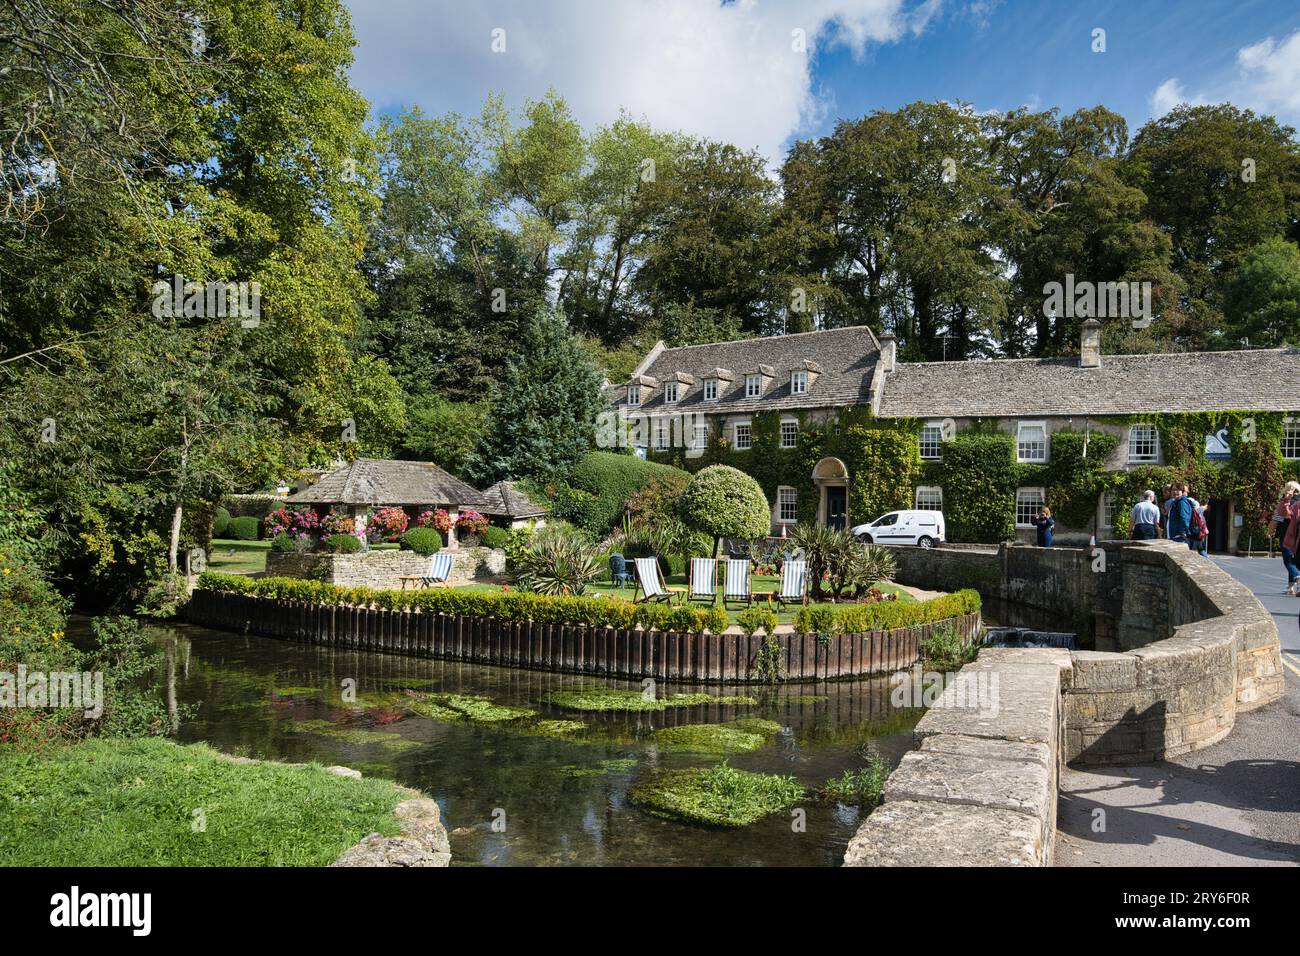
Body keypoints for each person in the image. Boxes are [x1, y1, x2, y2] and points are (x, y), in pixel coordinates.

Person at [1273, 480, 1300, 596]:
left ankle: (1298, 578)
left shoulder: (1286, 502)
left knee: (1288, 561)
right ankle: (1291, 585)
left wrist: (1271, 529)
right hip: (1296, 535)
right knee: (1294, 560)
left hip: (1287, 535)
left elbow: (1278, 516)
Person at [1165, 484, 1196, 550]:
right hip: (1175, 535)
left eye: (1177, 490)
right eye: (1173, 490)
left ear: (1182, 492)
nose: (1175, 492)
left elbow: (1184, 518)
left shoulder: (1182, 502)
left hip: (1179, 536)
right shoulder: (1176, 502)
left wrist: (1182, 533)